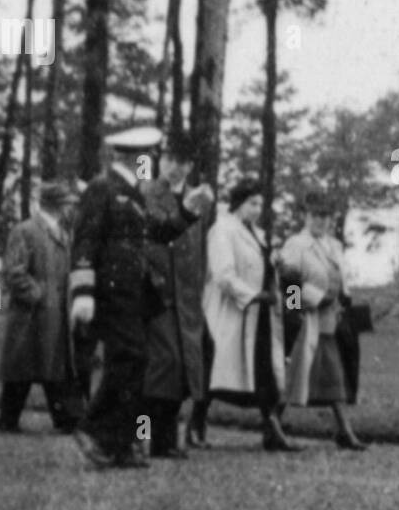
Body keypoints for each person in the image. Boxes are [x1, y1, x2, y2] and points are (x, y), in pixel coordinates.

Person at [68, 126, 214, 469]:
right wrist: (83, 291)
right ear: (137, 157)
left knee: (136, 363)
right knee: (129, 359)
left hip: (134, 295)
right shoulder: (102, 189)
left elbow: (157, 233)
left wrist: (189, 213)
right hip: (111, 292)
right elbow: (85, 241)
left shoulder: (131, 194)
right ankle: (92, 430)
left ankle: (118, 444)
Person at [196, 178, 298, 452]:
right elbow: (223, 275)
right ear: (239, 203)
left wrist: (277, 265)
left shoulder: (258, 233)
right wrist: (254, 295)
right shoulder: (222, 231)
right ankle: (196, 425)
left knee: (264, 370)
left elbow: (262, 264)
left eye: (260, 205)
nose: (257, 210)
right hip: (232, 311)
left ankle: (272, 431)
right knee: (217, 371)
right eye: (252, 204)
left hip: (260, 315)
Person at [139, 132, 211, 459]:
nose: (174, 168)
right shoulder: (147, 193)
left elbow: (198, 251)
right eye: (169, 159)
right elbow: (146, 242)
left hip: (188, 299)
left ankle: (167, 439)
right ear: (159, 160)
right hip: (158, 293)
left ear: (190, 165)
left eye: (182, 162)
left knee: (185, 368)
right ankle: (150, 438)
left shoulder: (200, 201)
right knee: (162, 365)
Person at [278, 191, 366, 450]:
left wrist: (344, 296)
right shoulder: (296, 244)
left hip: (331, 320)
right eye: (316, 215)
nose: (321, 221)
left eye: (326, 216)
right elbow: (287, 284)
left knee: (332, 376)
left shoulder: (334, 246)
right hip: (307, 320)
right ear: (306, 216)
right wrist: (301, 307)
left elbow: (340, 280)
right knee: (297, 373)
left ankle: (344, 431)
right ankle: (271, 423)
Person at [0, 181, 84, 433]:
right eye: (68, 204)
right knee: (22, 370)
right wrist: (38, 294)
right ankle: (8, 419)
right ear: (57, 205)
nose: (71, 209)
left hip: (55, 313)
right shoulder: (25, 230)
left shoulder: (63, 233)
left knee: (52, 367)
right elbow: (13, 272)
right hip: (31, 314)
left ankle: (66, 419)